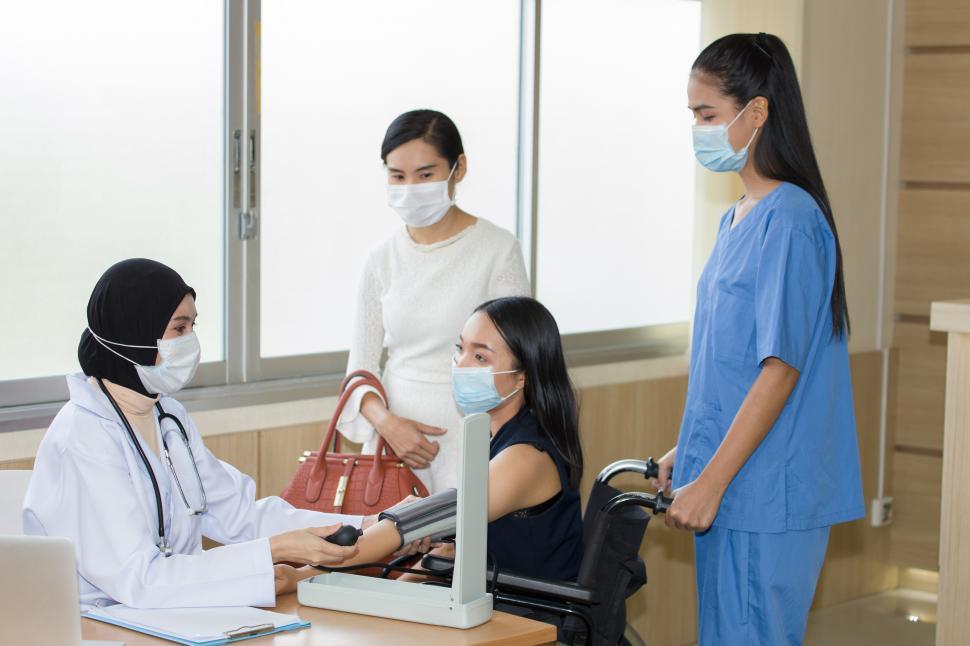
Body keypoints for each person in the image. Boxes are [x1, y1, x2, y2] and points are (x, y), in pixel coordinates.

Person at [651, 33, 865, 645]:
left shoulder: (791, 220)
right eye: (692, 115)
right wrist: (686, 451)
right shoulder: (739, 216)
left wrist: (712, 481)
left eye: (707, 114)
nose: (697, 129)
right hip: (734, 485)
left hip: (765, 493)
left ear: (758, 111)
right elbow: (731, 367)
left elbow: (780, 370)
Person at [22, 259, 367, 610]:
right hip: (100, 622)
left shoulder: (166, 415)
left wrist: (364, 524)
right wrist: (275, 549)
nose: (191, 342)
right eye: (179, 328)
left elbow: (239, 514)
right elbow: (141, 580)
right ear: (136, 330)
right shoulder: (82, 438)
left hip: (178, 611)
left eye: (192, 327)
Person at [277, 296, 584, 592]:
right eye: (460, 348)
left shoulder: (526, 457)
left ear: (522, 377)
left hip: (527, 618)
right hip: (498, 598)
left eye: (480, 357)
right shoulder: (506, 437)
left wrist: (301, 577)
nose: (461, 364)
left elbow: (431, 518)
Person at [337, 109, 530, 493]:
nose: (410, 188)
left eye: (425, 175)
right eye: (397, 176)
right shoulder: (381, 260)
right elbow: (358, 370)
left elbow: (519, 363)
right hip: (392, 451)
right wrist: (388, 424)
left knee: (463, 549)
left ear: (459, 168)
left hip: (473, 441)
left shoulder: (496, 249)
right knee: (390, 548)